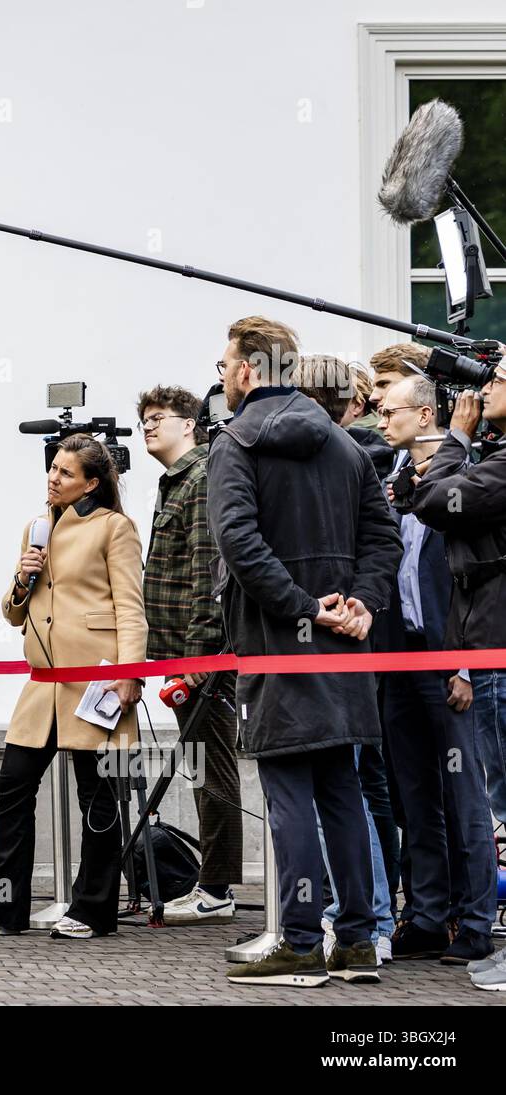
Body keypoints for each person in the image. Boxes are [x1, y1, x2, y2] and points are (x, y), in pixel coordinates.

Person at [208, 317, 402, 988]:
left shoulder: (234, 444)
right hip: (342, 643)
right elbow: (384, 536)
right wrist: (360, 604)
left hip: (276, 643)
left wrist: (302, 606)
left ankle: (297, 940)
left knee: (289, 792)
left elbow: (238, 542)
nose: (223, 375)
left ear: (248, 370)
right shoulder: (346, 448)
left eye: (225, 364)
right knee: (341, 788)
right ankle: (354, 941)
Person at [0, 435, 147, 941]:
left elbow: (130, 606)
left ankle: (93, 910)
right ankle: (1, 907)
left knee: (98, 800)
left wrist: (130, 672)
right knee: (13, 787)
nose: (52, 478)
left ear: (92, 482)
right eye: (52, 469)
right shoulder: (35, 528)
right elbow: (15, 613)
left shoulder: (114, 527)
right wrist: (22, 577)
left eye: (65, 472)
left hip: (96, 682)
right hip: (43, 686)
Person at [376, 373, 496, 965]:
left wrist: (466, 668)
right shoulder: (394, 479)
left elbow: (466, 579)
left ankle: (476, 920)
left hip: (453, 660)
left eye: (390, 410)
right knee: (415, 793)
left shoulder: (468, 474)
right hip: (399, 659)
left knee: (466, 797)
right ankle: (427, 915)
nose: (380, 420)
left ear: (426, 417)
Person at [291, 355, 398, 964]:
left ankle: (367, 921)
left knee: (347, 788)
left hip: (346, 646)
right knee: (356, 787)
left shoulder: (355, 458)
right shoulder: (354, 458)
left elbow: (379, 542)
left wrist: (354, 603)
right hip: (351, 641)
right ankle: (363, 922)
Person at [410, 360, 506, 988]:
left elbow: (436, 501)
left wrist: (457, 442)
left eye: (499, 379)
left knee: (501, 802)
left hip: (497, 649)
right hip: (484, 641)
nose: (485, 387)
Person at [135, 385, 242, 923]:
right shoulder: (174, 482)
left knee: (212, 768)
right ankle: (213, 885)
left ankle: (217, 890)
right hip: (180, 651)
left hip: (200, 657)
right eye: (144, 420)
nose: (149, 427)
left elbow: (208, 572)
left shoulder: (199, 480)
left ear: (190, 423)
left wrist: (199, 655)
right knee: (203, 766)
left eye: (159, 418)